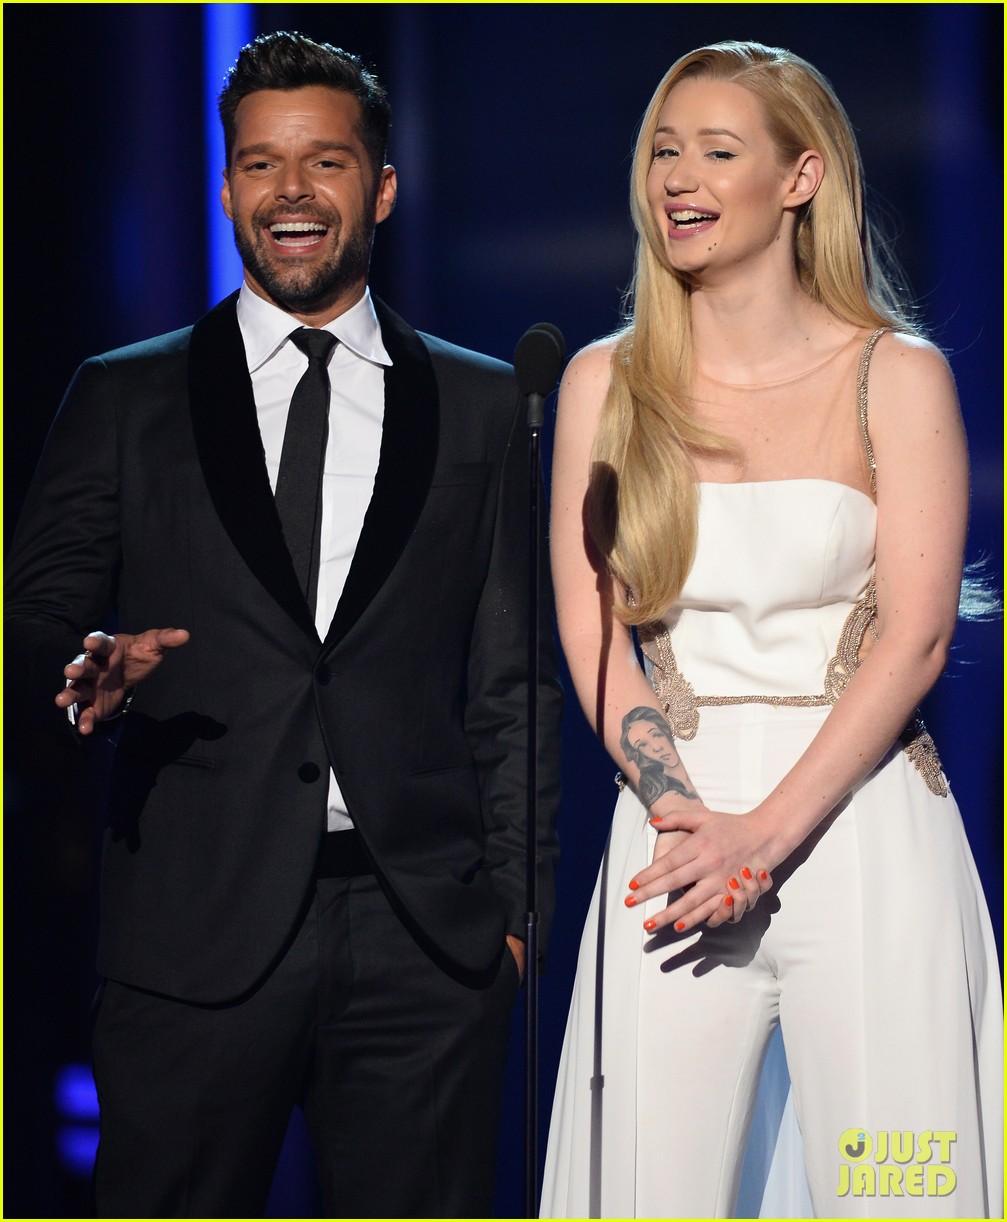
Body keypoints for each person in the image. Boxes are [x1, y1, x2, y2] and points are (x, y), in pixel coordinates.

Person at [4, 31, 562, 1219]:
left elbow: (510, 681)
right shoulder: (125, 394)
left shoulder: (477, 402)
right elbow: (31, 621)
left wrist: (513, 924)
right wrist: (79, 673)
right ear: (225, 189)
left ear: (382, 188)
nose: (291, 191)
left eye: (325, 163)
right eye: (261, 165)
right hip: (190, 937)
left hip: (424, 943)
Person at [540, 40, 1000, 1219]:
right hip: (672, 838)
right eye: (660, 149)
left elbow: (913, 641)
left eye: (716, 150)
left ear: (798, 179)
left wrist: (763, 838)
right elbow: (594, 636)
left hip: (861, 828)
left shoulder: (893, 377)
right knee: (648, 1184)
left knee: (895, 1186)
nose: (677, 177)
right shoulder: (605, 381)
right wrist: (691, 824)